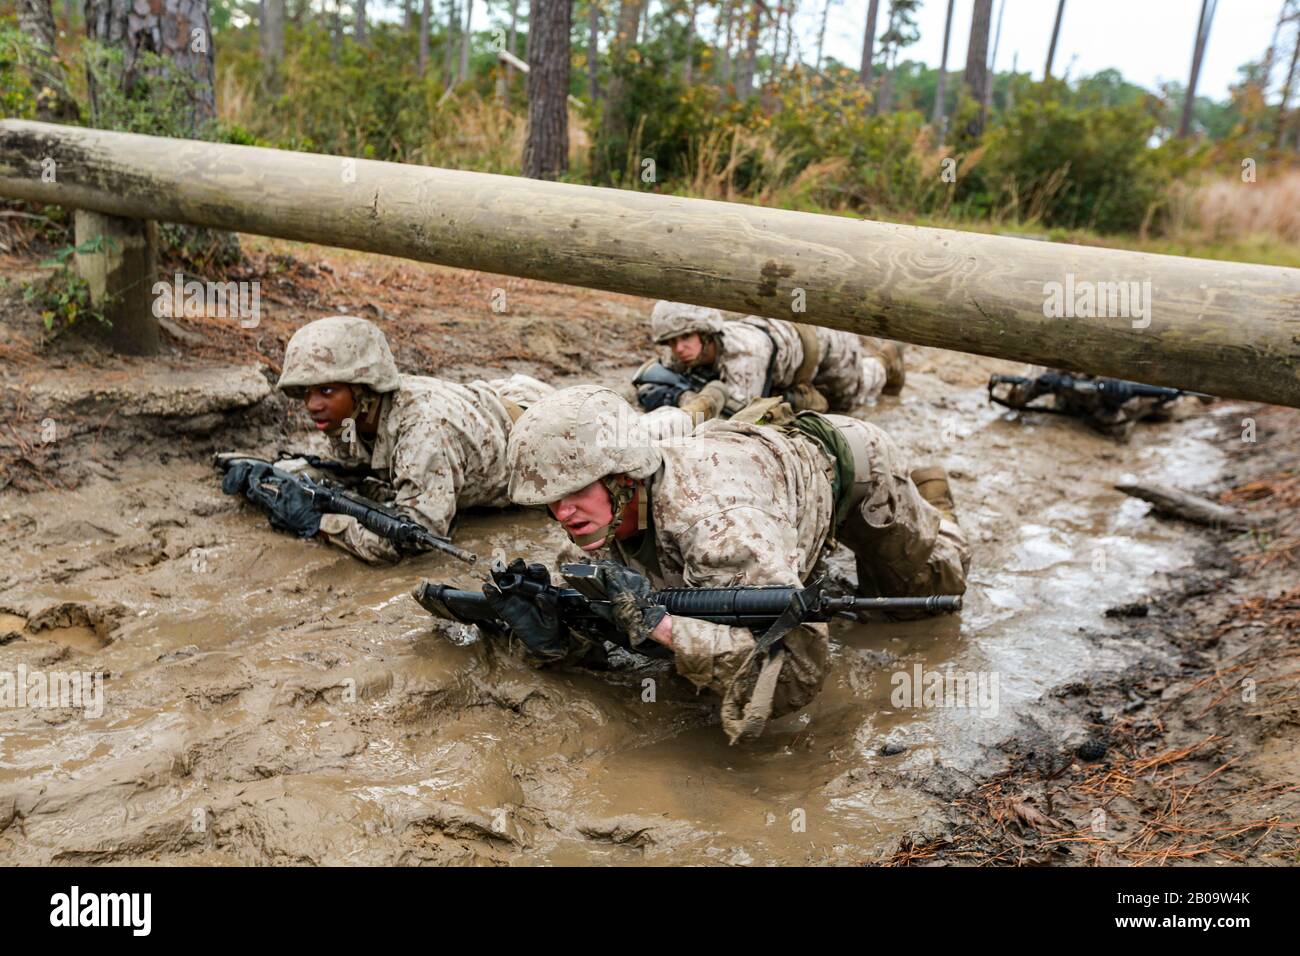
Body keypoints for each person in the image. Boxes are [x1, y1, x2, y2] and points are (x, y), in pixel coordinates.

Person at [487, 385, 970, 743]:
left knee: (921, 598)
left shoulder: (719, 527)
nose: (562, 514)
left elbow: (798, 674)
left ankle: (936, 507)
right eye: (549, 501)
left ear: (623, 478)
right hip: (759, 468)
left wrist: (666, 630)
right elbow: (606, 641)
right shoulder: (590, 535)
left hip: (854, 468)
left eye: (575, 492)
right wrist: (551, 632)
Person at [273, 314, 553, 563]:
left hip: (544, 439)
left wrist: (320, 524)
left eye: (326, 390)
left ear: (362, 389)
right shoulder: (351, 416)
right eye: (307, 392)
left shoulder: (423, 431)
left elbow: (412, 539)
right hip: (495, 406)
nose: (312, 405)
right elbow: (348, 467)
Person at [636, 300, 907, 422]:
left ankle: (886, 361)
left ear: (705, 333)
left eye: (685, 338)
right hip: (779, 343)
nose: (678, 349)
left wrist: (685, 397)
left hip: (825, 344)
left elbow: (742, 418)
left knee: (850, 401)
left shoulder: (744, 356)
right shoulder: (683, 349)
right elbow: (648, 377)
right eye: (671, 342)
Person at [996, 365, 1213, 440]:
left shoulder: (1120, 369)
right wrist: (1039, 386)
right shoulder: (1053, 363)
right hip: (1071, 408)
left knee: (1167, 408)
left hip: (1122, 407)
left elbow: (1118, 430)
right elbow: (1013, 400)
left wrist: (1115, 401)